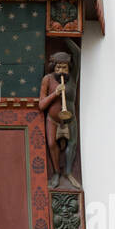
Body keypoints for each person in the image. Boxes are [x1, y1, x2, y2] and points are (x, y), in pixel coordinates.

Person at [38, 50, 79, 188]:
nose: (61, 71)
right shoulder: (48, 79)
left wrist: (66, 36)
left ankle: (68, 173)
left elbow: (77, 53)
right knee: (51, 144)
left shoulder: (72, 78)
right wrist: (55, 94)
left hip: (70, 118)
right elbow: (42, 104)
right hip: (53, 119)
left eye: (64, 68)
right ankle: (56, 173)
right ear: (53, 67)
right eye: (58, 67)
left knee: (72, 144)